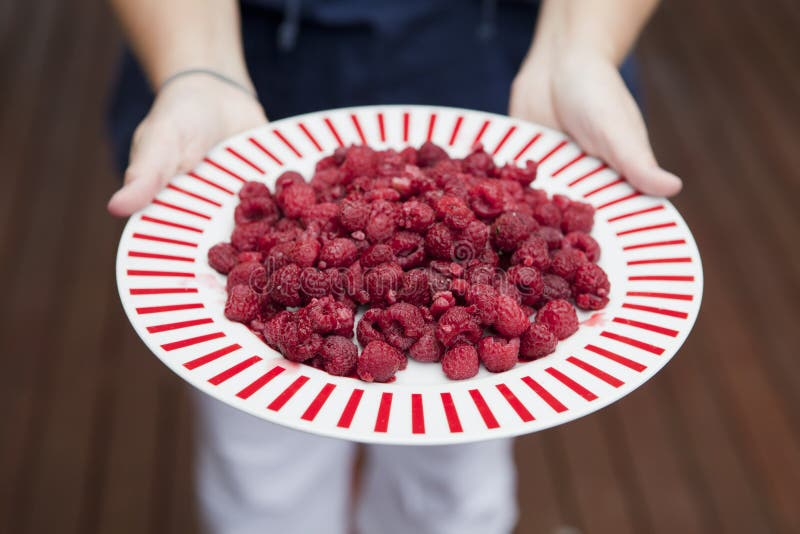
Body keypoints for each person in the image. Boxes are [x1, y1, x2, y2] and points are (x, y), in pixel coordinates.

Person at [106, 1, 682, 533]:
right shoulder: (313, 242)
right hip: (251, 69)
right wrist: (198, 68)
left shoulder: (481, 252)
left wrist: (578, 48)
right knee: (263, 472)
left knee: (452, 477)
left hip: (498, 65)